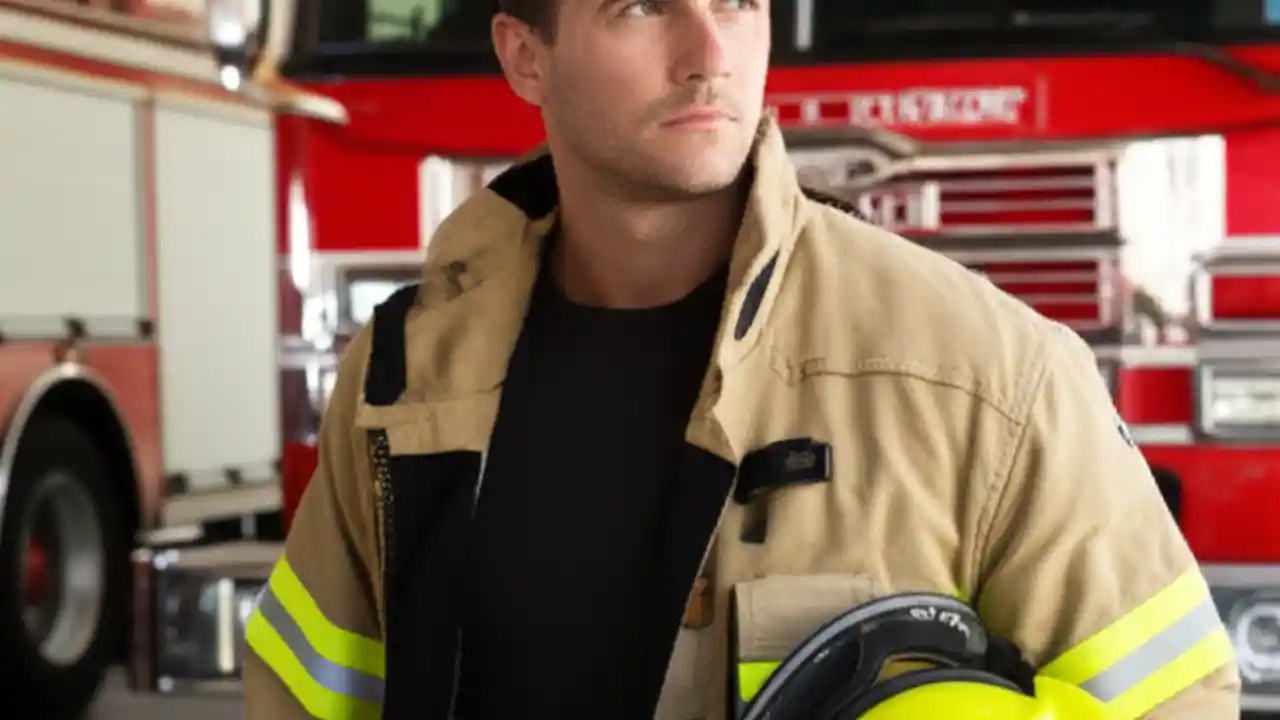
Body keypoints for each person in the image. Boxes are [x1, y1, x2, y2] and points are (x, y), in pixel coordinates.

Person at [241, 1, 1242, 718]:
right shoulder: (404, 373)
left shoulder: (988, 373)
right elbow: (307, 690)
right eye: (640, 8)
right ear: (525, 56)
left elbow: (1171, 699)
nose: (707, 52)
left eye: (737, 2)